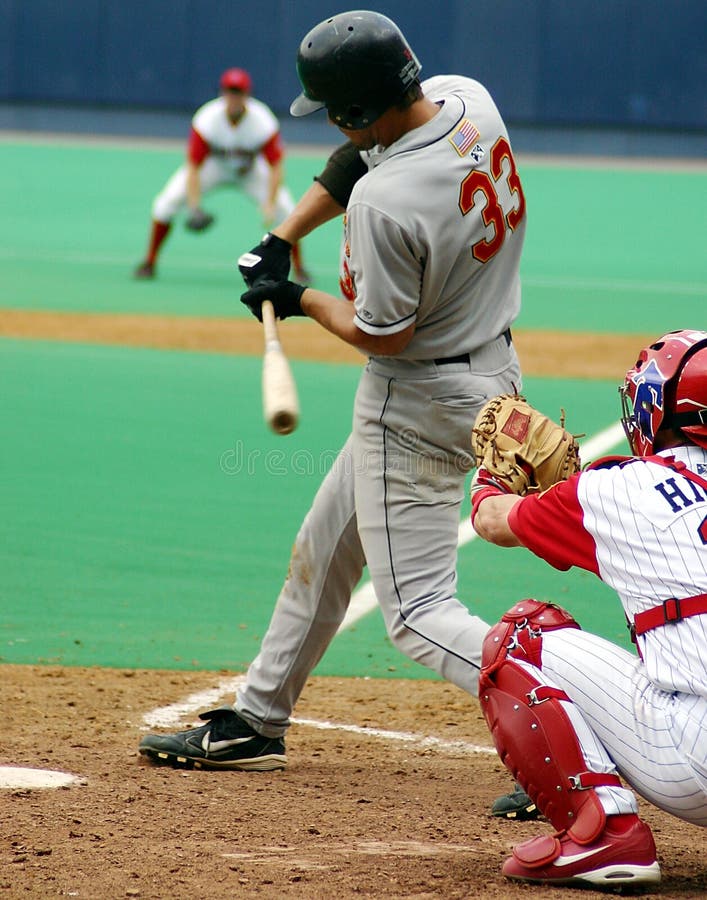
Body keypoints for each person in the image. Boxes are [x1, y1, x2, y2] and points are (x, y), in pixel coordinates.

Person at [139, 10, 526, 783]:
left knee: (417, 613)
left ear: (353, 110)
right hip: (490, 368)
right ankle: (258, 716)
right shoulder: (467, 99)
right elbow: (366, 150)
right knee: (327, 542)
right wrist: (284, 233)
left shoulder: (388, 204)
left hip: (416, 397)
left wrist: (298, 295)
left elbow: (383, 333)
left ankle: (570, 723)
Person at [469, 329, 707, 888]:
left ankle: (603, 833)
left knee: (521, 636)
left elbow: (492, 521)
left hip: (696, 759)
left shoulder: (614, 489)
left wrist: (493, 479)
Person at [133, 67, 308, 281]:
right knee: (164, 204)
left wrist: (270, 204)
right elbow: (194, 166)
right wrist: (195, 206)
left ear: (247, 94)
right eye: (230, 91)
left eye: (238, 91)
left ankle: (299, 269)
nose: (233, 97)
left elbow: (276, 167)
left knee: (287, 210)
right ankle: (149, 262)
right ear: (222, 93)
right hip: (213, 167)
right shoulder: (207, 118)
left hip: (251, 169)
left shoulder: (263, 120)